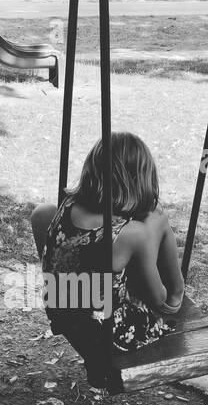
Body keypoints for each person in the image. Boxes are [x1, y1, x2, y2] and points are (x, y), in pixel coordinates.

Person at [30, 132, 186, 389]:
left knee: (43, 212)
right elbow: (155, 297)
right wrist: (166, 299)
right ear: (138, 180)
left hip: (64, 308)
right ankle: (178, 292)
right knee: (158, 218)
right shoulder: (129, 233)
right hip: (108, 335)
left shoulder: (67, 204)